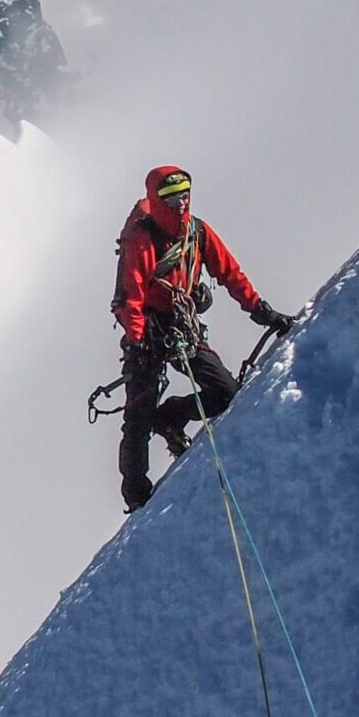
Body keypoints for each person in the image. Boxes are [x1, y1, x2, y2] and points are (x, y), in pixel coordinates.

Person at [112, 164, 295, 511]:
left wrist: (261, 311)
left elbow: (229, 272)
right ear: (157, 199)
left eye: (184, 195)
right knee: (138, 415)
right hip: (148, 331)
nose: (180, 203)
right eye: (171, 198)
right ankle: (136, 494)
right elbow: (130, 299)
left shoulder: (197, 233)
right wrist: (137, 341)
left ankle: (171, 415)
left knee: (226, 392)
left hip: (181, 326)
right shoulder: (142, 240)